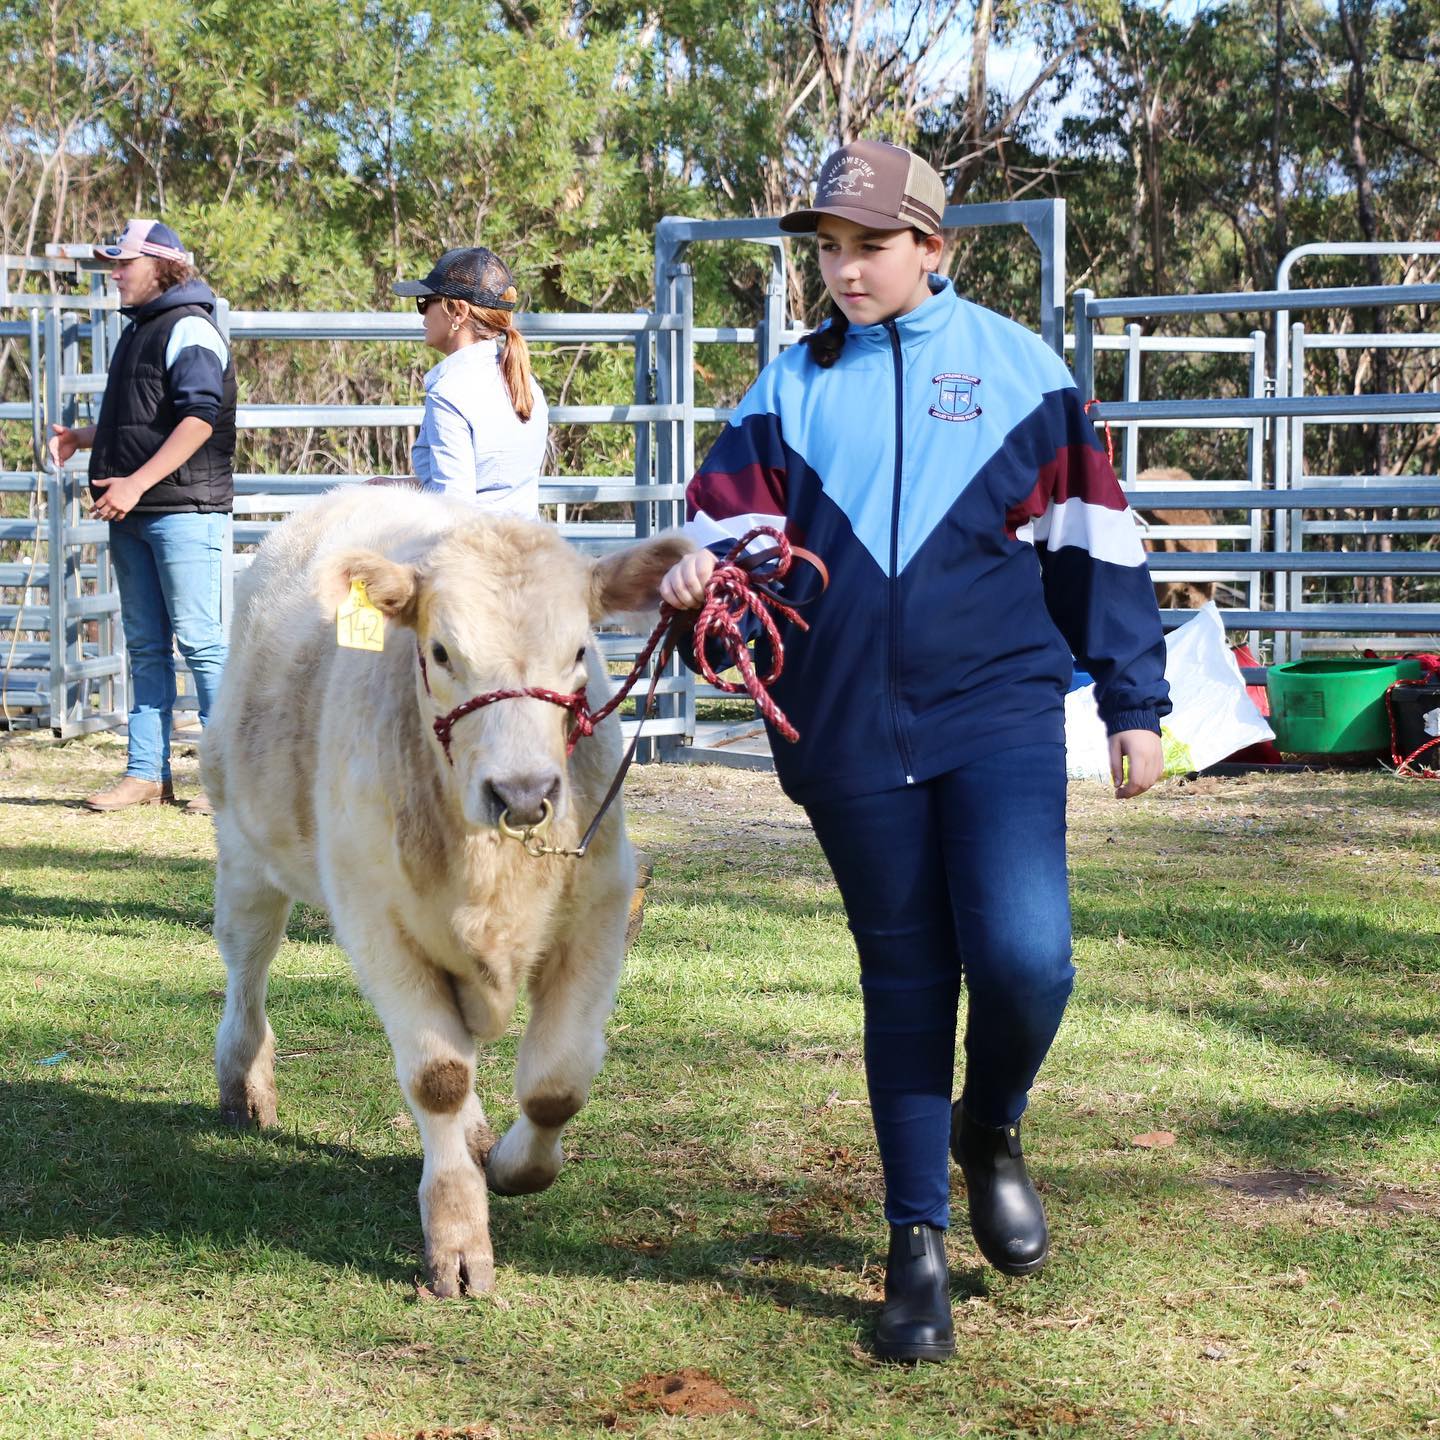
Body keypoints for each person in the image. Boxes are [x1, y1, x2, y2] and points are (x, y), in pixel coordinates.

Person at [660, 140, 1170, 1363]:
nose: (844, 269)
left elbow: (1094, 540)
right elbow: (736, 554)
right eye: (828, 247)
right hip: (844, 730)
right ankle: (915, 1249)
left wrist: (1132, 702)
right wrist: (698, 581)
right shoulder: (785, 392)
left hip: (993, 706)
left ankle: (988, 1124)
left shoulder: (1021, 371)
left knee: (1026, 958)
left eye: (870, 245)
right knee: (904, 981)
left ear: (932, 247)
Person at [49, 219, 235, 814]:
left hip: (184, 511)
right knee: (147, 649)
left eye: (123, 261)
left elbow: (198, 419)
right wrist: (81, 438)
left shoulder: (191, 330)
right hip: (135, 511)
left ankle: (230, 783)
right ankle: (145, 774)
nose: (115, 272)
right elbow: (144, 420)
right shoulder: (142, 332)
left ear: (162, 265)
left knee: (204, 646)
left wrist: (134, 483)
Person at [387, 247, 548, 515]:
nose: (423, 314)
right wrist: (393, 487)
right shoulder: (526, 384)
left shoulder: (450, 393)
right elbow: (486, 488)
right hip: (525, 546)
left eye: (425, 302)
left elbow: (455, 509)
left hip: (477, 550)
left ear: (458, 311)